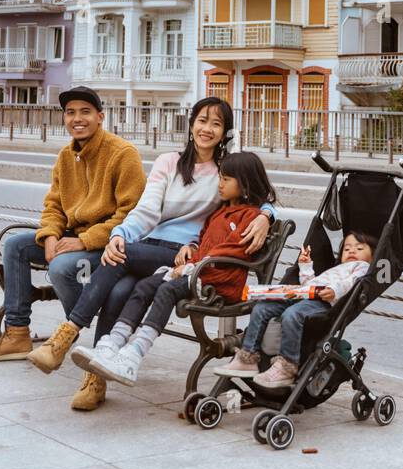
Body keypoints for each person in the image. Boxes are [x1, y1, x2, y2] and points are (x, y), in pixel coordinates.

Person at [25, 97, 274, 391]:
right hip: (144, 246)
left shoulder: (225, 172)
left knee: (119, 261)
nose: (207, 129)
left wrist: (266, 216)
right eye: (202, 121)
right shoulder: (168, 162)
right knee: (118, 285)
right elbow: (146, 210)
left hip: (177, 254)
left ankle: (65, 338)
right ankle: (97, 378)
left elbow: (257, 193)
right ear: (191, 123)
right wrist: (119, 235)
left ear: (225, 132)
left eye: (216, 124)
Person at [0, 87, 145, 412]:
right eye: (71, 112)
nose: (77, 119)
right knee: (17, 245)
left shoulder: (123, 154)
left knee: (63, 268)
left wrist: (85, 240)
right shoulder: (66, 156)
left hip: (108, 243)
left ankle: (86, 351)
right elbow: (53, 205)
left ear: (100, 117)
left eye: (85, 112)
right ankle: (18, 332)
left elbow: (131, 214)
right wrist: (49, 235)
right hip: (69, 238)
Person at [74, 151, 275, 386]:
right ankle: (112, 344)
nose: (218, 185)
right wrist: (190, 248)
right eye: (219, 177)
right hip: (200, 272)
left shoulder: (250, 216)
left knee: (166, 290)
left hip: (217, 282)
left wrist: (193, 267)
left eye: (225, 180)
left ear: (245, 184)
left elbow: (234, 250)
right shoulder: (219, 213)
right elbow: (203, 240)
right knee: (145, 285)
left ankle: (134, 354)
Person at [218, 231, 377, 390]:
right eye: (347, 248)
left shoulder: (362, 268)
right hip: (303, 294)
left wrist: (334, 290)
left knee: (292, 315)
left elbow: (351, 283)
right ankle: (248, 357)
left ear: (372, 256)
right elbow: (310, 283)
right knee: (262, 308)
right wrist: (306, 265)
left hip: (322, 304)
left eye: (359, 248)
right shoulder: (336, 269)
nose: (352, 251)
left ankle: (287, 366)